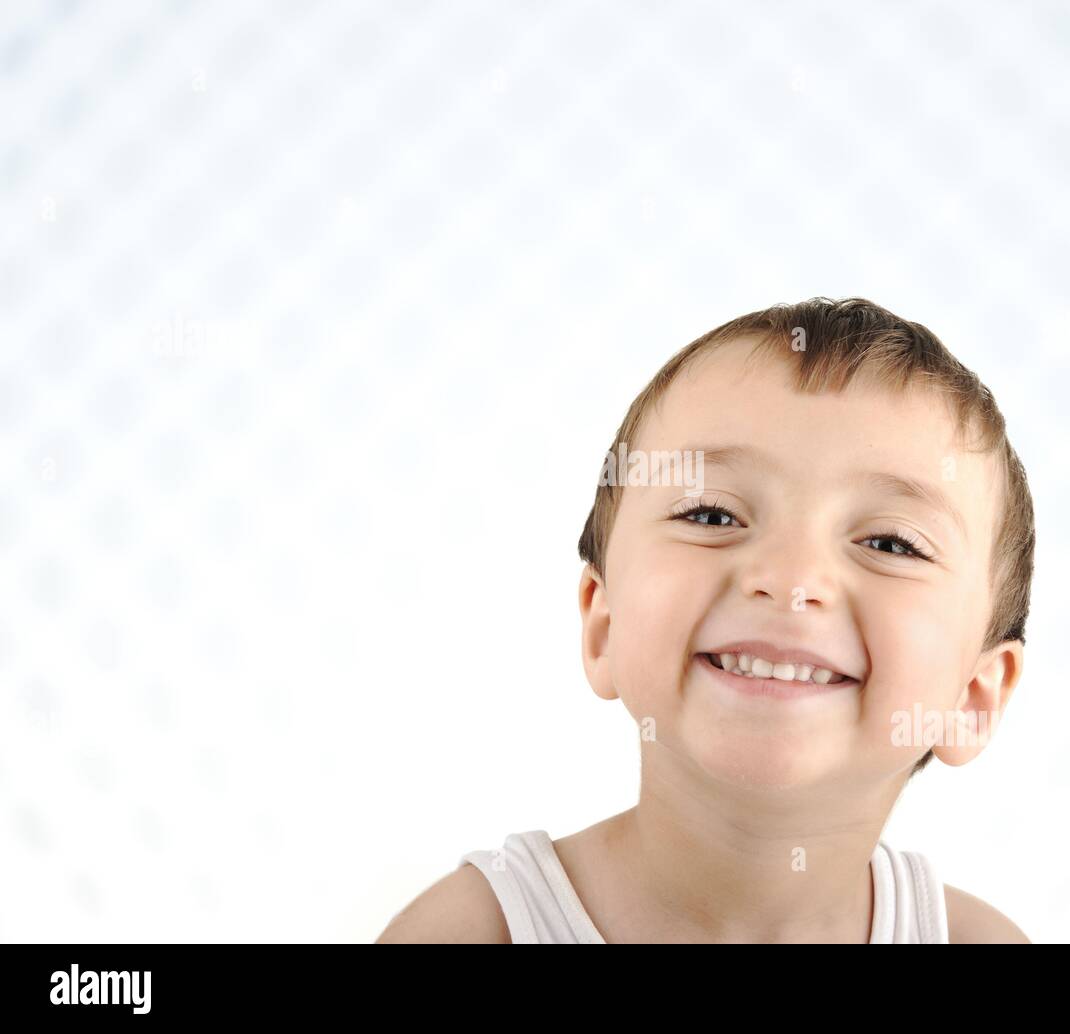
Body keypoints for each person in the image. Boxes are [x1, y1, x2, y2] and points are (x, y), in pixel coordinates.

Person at [378, 296, 1035, 943]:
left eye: (891, 544)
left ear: (975, 696)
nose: (790, 578)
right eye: (711, 516)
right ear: (603, 624)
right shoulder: (471, 932)